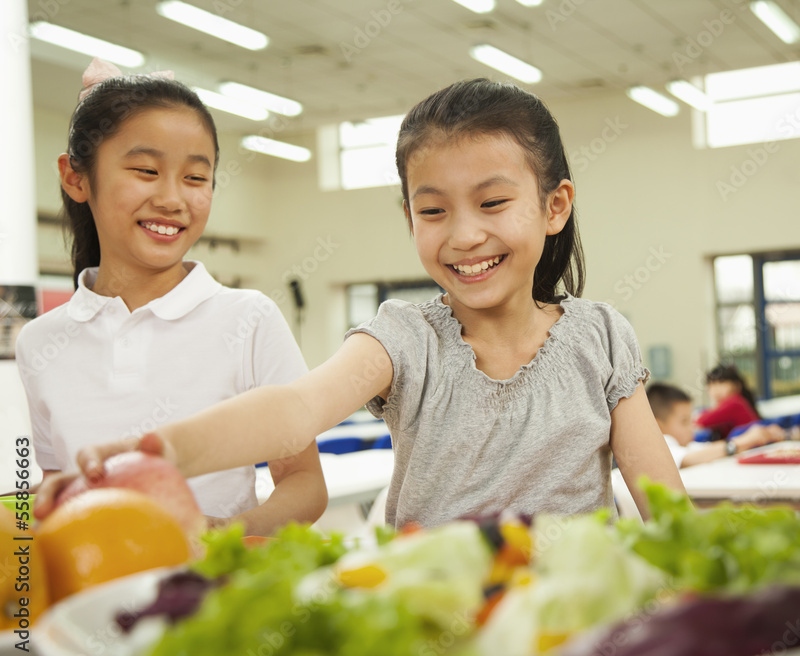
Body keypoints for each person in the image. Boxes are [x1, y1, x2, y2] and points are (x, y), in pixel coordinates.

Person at [36, 78, 685, 528]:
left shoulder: (600, 335)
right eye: (433, 210)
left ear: (554, 206)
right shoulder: (403, 336)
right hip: (437, 624)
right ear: (409, 217)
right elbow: (295, 408)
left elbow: (659, 497)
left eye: (492, 203)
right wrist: (159, 449)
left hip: (583, 625)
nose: (464, 234)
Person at [17, 59, 326, 536]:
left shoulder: (249, 319)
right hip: (92, 592)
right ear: (76, 177)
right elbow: (57, 486)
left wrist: (229, 533)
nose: (172, 198)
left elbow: (304, 482)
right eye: (146, 170)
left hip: (210, 595)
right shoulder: (40, 341)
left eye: (195, 178)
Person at [646, 383, 782, 467]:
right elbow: (687, 459)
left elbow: (711, 450)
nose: (691, 428)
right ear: (658, 425)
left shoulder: (686, 445)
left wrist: (758, 437)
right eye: (684, 421)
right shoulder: (661, 445)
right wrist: (742, 442)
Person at [694, 365, 760, 440]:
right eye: (711, 384)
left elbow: (702, 421)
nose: (716, 389)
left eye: (721, 383)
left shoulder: (734, 402)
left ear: (736, 386)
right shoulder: (734, 402)